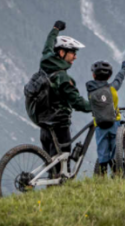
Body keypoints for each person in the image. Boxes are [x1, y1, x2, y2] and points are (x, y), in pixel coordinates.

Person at [39, 20, 91, 159]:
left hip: (44, 122)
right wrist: (96, 106)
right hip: (58, 125)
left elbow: (48, 45)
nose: (75, 56)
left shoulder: (46, 64)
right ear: (62, 52)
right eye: (73, 52)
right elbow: (77, 102)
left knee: (50, 162)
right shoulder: (62, 78)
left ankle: (50, 179)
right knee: (62, 161)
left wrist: (55, 29)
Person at [85, 59, 125, 176]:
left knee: (102, 151)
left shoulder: (91, 91)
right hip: (115, 123)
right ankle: (116, 174)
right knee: (116, 149)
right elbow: (119, 78)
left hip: (99, 126)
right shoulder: (112, 88)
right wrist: (124, 68)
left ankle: (102, 176)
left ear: (93, 75)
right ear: (109, 76)